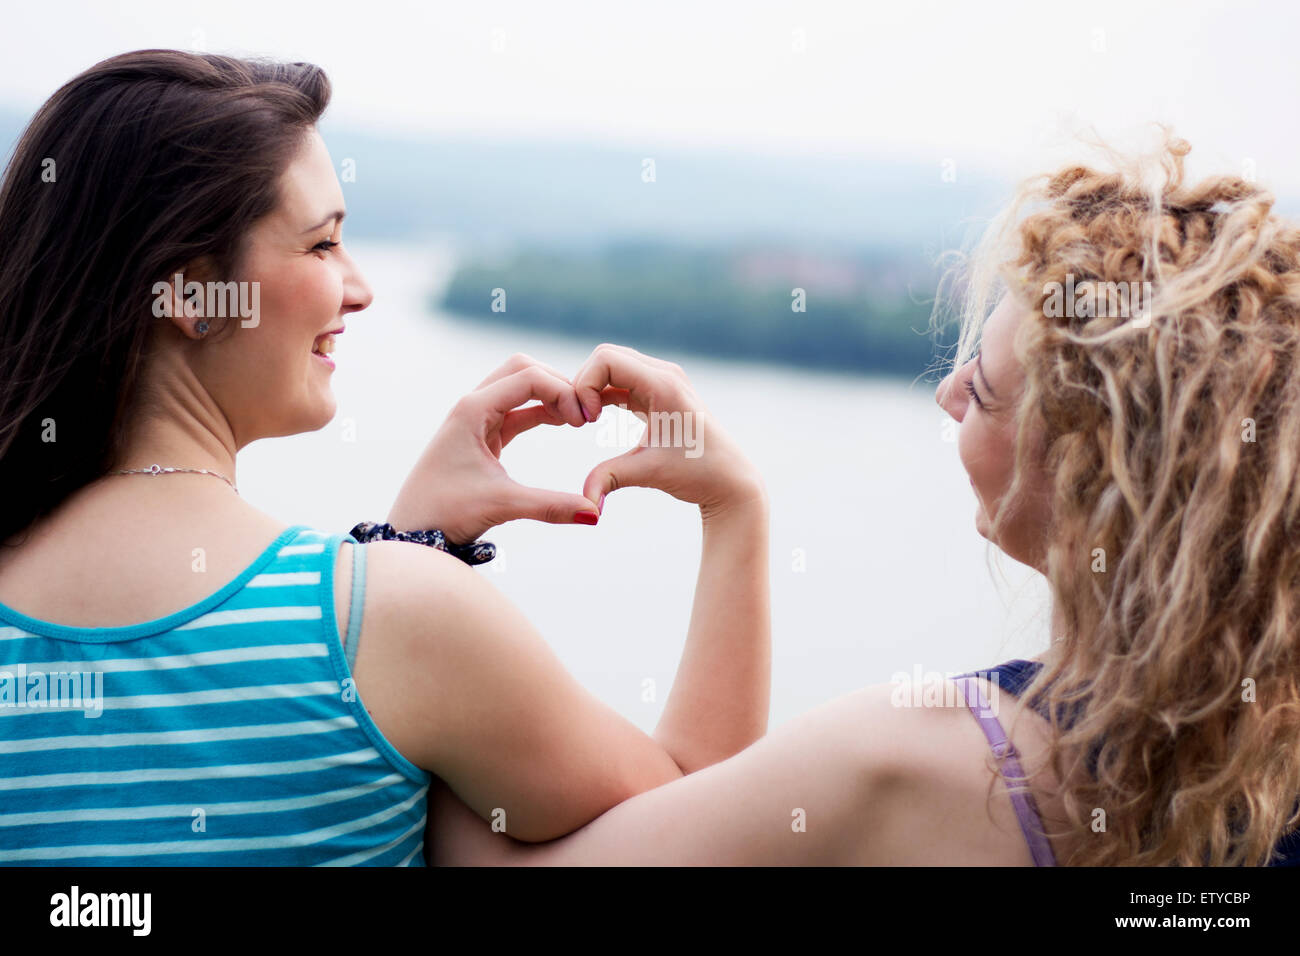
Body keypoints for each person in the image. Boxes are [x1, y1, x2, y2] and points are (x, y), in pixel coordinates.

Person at [427, 132, 1300, 866]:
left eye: (985, 389)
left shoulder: (936, 763)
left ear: (1088, 474)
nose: (948, 394)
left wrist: (415, 554)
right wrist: (736, 510)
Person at [0, 50, 771, 865]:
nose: (359, 288)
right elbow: (704, 826)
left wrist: (410, 547)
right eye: (322, 244)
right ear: (190, 294)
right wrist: (734, 509)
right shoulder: (394, 623)